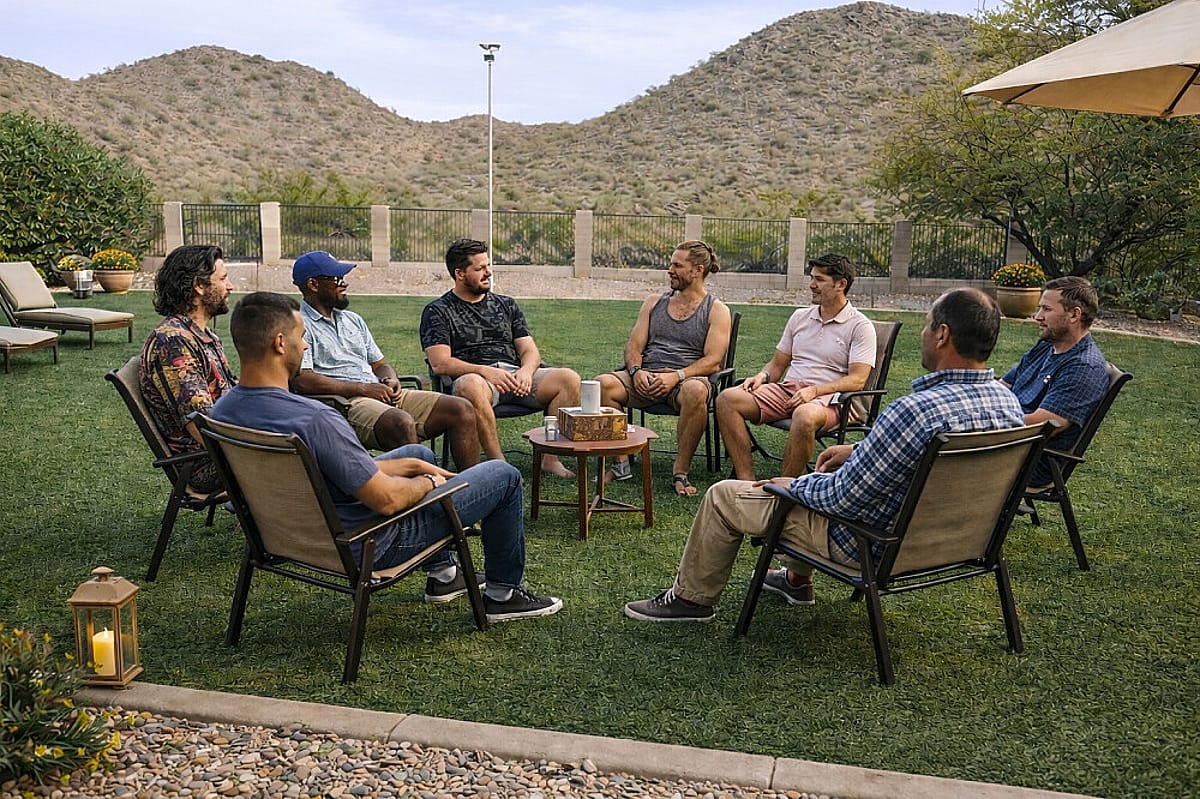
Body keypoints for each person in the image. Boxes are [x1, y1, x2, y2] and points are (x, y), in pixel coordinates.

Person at [624, 287, 1026, 622]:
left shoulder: (915, 411)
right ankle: (797, 581)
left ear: (942, 335)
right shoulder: (1008, 405)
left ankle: (690, 600)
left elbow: (841, 499)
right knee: (823, 474)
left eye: (926, 325)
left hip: (866, 545)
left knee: (724, 496)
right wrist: (859, 449)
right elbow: (918, 459)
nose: (923, 333)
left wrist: (793, 485)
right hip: (955, 543)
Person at [211, 292, 563, 622]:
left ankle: (445, 576)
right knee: (503, 476)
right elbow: (388, 500)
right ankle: (503, 595)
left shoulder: (223, 411)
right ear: (279, 343)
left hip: (290, 536)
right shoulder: (315, 420)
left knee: (417, 452)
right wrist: (428, 482)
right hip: (368, 543)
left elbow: (317, 474)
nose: (304, 345)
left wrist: (410, 465)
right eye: (301, 336)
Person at [288, 251, 480, 468]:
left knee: (461, 408)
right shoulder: (300, 324)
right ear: (313, 284)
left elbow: (379, 365)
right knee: (400, 422)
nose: (344, 283)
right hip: (344, 403)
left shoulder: (353, 320)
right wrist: (364, 389)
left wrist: (390, 379)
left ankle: (471, 482)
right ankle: (423, 487)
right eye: (336, 278)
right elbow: (303, 379)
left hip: (380, 393)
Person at [420, 238, 581, 478]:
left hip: (515, 376)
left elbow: (530, 350)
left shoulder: (506, 305)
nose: (488, 272)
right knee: (469, 385)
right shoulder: (438, 311)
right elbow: (440, 363)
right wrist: (485, 371)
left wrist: (526, 371)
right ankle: (500, 466)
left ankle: (550, 459)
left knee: (568, 378)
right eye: (480, 268)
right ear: (460, 274)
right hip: (478, 380)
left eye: (488, 266)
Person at [716, 253, 877, 480]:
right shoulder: (800, 317)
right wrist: (762, 376)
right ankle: (746, 480)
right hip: (791, 391)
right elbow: (777, 364)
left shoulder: (860, 326)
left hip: (833, 400)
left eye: (819, 279)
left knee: (804, 415)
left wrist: (814, 391)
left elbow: (857, 380)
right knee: (727, 399)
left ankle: (786, 489)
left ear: (841, 284)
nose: (811, 285)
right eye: (811, 277)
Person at [596, 240, 732, 496]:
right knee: (602, 385)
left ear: (697, 270)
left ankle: (680, 472)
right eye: (671, 264)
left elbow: (713, 361)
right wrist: (636, 372)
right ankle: (621, 463)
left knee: (695, 392)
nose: (670, 270)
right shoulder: (653, 302)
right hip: (646, 376)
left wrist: (676, 377)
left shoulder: (716, 310)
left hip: (686, 379)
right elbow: (633, 347)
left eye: (677, 265)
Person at [139, 244, 236, 493]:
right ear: (199, 286)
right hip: (205, 462)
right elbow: (202, 426)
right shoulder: (173, 343)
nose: (230, 286)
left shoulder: (203, 335)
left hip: (228, 447)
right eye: (223, 278)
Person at [1000, 276, 1109, 488]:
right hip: (1008, 441)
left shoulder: (1083, 368)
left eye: (1046, 309)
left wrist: (984, 421)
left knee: (941, 456)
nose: (1037, 316)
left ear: (1075, 314)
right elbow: (1004, 385)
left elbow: (1041, 426)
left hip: (1031, 459)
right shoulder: (1047, 345)